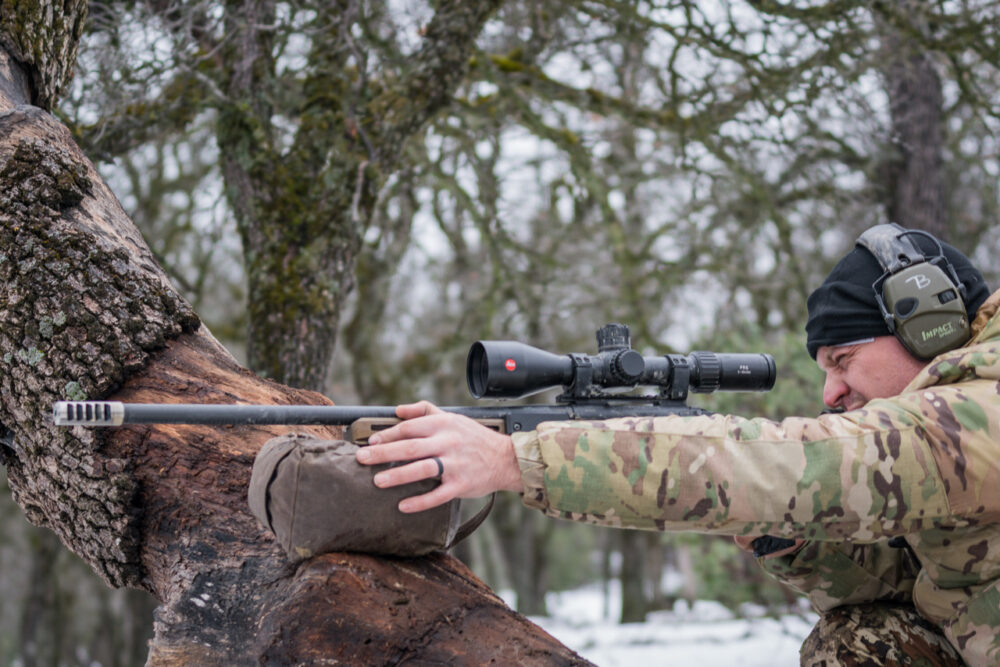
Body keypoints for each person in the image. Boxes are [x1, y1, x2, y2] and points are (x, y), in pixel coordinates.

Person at [355, 223, 997, 666]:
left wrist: (509, 460)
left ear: (929, 323)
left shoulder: (983, 410)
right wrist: (790, 542)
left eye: (844, 359)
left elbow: (797, 466)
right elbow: (915, 586)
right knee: (862, 640)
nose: (831, 392)